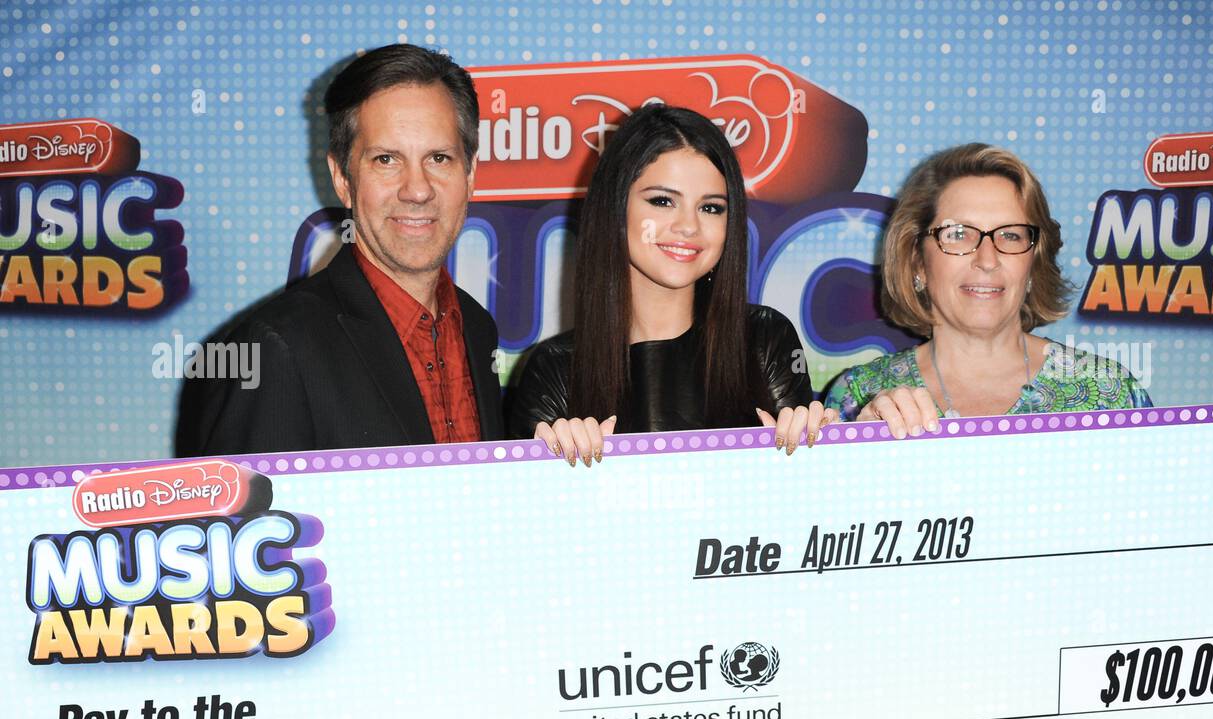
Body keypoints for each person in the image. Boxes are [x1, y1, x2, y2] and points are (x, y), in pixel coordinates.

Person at [176, 44, 503, 457]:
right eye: (386, 160)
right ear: (343, 178)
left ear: (470, 174)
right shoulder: (273, 350)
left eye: (439, 158)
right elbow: (258, 521)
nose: (417, 190)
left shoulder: (477, 327)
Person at [506, 104, 835, 465]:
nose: (689, 226)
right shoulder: (555, 368)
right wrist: (558, 465)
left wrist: (818, 448)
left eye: (711, 208)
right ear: (615, 208)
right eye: (663, 201)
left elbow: (804, 501)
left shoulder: (763, 338)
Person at [823, 143, 1152, 438]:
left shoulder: (1110, 392)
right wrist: (861, 446)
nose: (987, 259)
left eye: (1010, 235)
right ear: (918, 262)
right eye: (958, 234)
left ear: (1033, 263)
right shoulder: (859, 396)